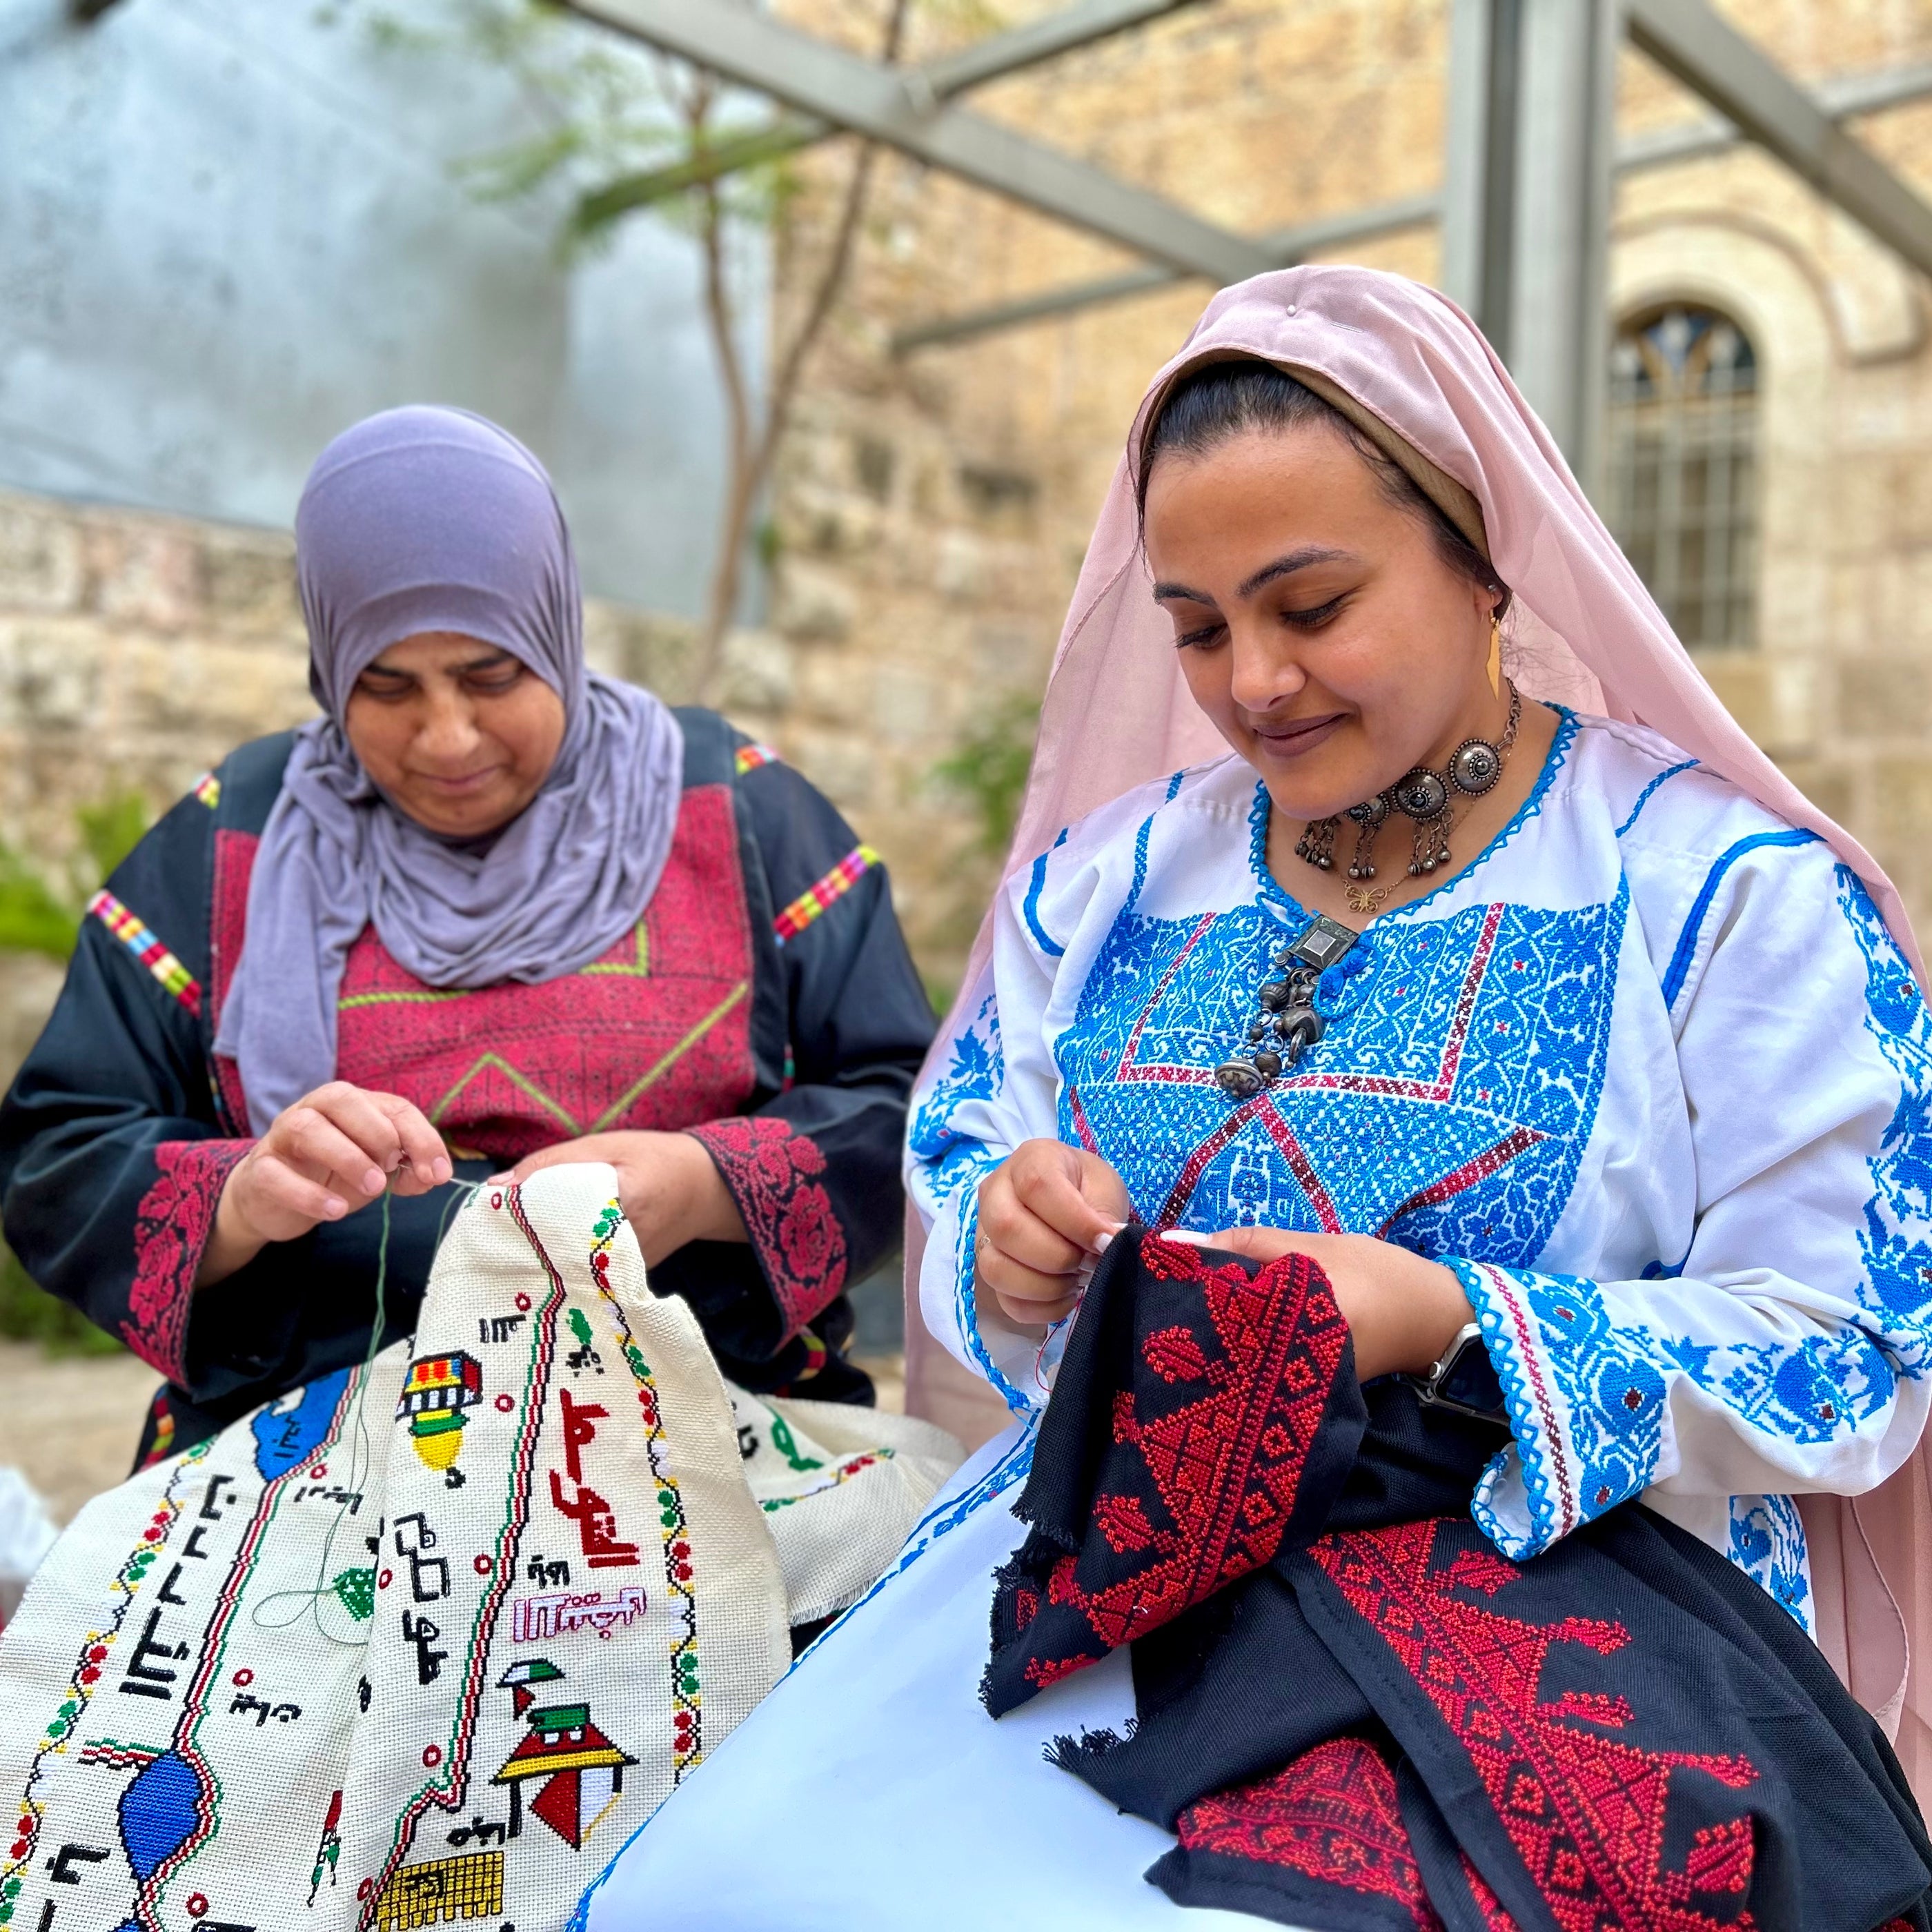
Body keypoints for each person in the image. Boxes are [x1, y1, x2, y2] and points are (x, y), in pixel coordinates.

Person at [573, 267, 1932, 1929]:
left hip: (1565, 1604)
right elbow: (963, 1155)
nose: (1254, 680)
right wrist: (1009, 1247)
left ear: (1481, 556)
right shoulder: (1110, 879)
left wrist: (1442, 1315)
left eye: (1310, 604)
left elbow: (1846, 1348)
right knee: (724, 1888)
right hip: (1120, 1561)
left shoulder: (1721, 891)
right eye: (1199, 626)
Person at [0, 406, 933, 1462]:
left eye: (493, 676)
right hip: (310, 1451)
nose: (447, 739)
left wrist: (702, 1184)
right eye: (384, 686)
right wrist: (239, 1198)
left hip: (701, 1440)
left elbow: (909, 1105)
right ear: (327, 662)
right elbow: (59, 1150)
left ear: (556, 632)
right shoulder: (236, 840)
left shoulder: (743, 814)